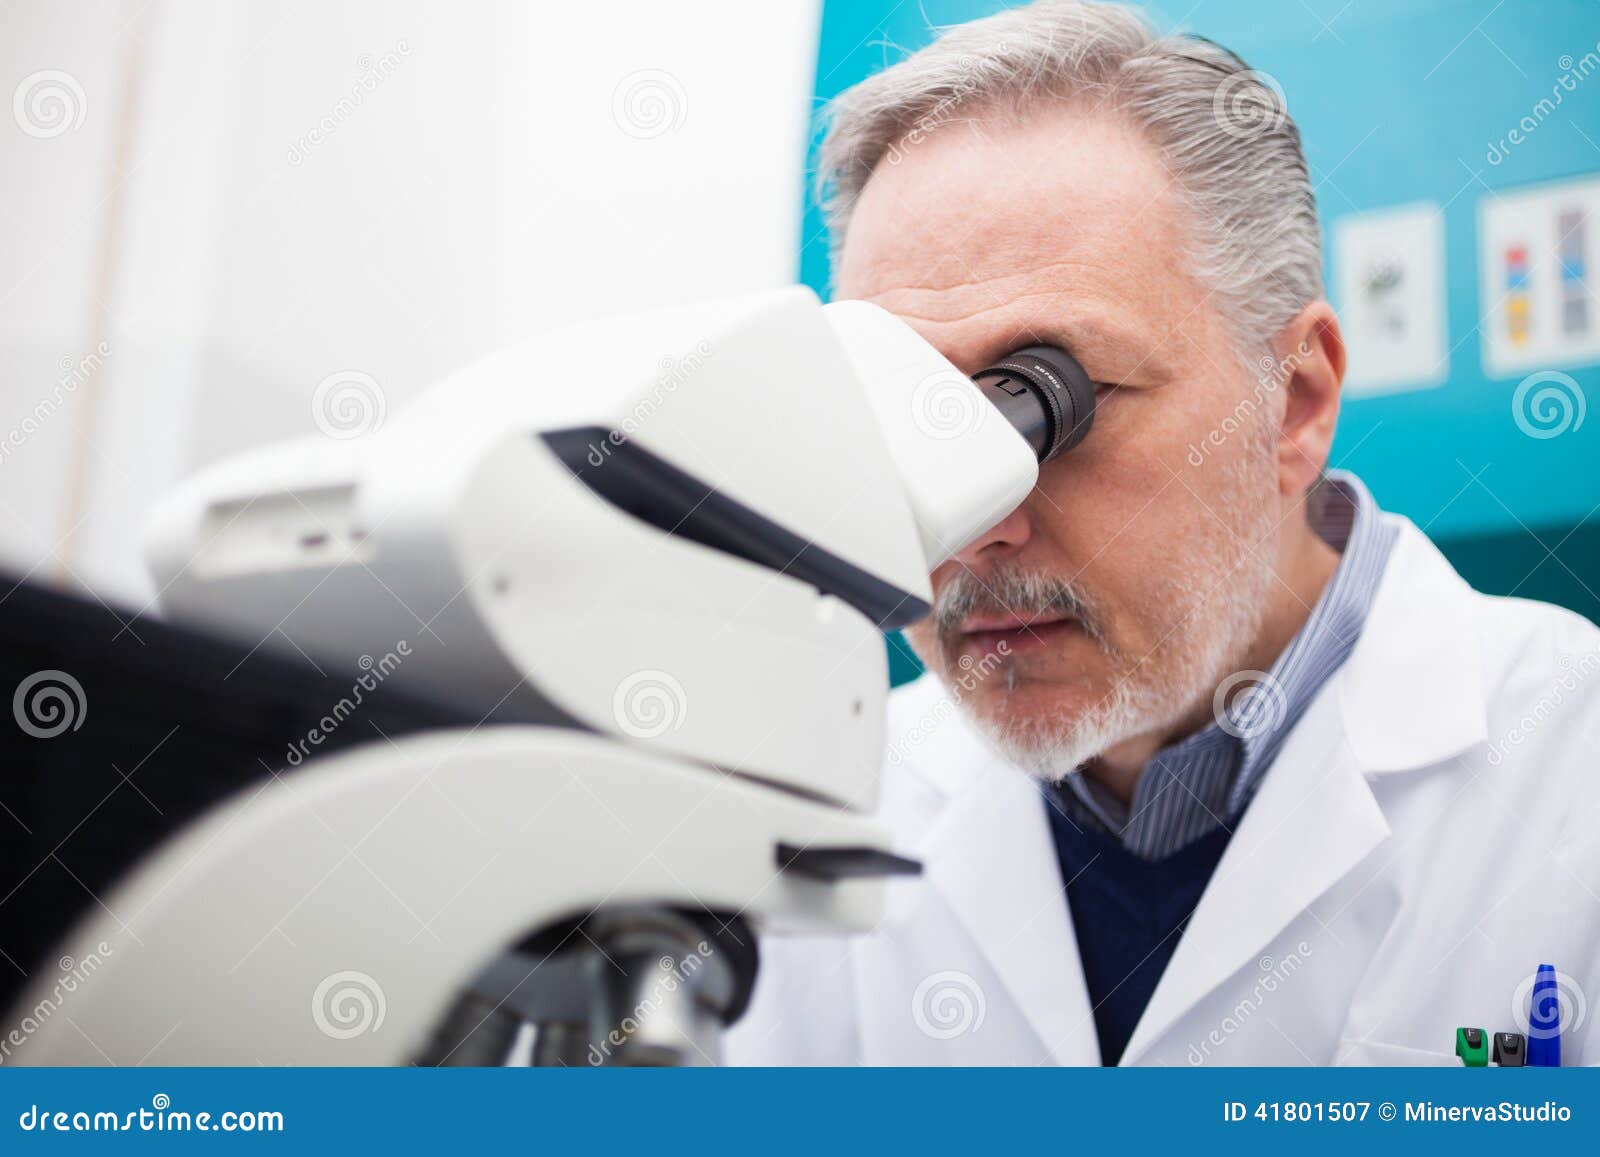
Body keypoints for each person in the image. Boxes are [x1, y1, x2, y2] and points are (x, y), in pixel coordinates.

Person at [727, 0, 1600, 1066]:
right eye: (910, 416)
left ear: (1293, 401)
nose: (971, 521)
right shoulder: (824, 817)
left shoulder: (1570, 770)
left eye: (1038, 405)